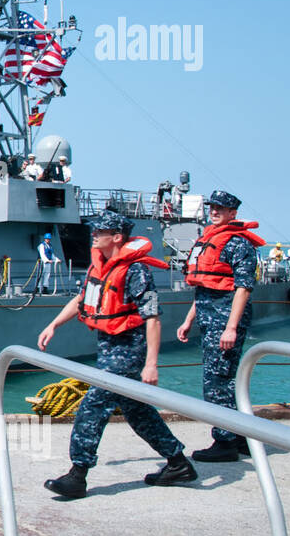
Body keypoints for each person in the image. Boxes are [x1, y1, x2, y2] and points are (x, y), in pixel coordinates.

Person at [37, 210, 195, 499]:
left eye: (100, 231)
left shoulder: (136, 271)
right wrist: (53, 325)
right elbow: (82, 299)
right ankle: (177, 462)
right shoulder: (101, 266)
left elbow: (153, 318)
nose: (93, 235)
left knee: (92, 406)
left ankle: (77, 475)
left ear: (117, 237)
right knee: (137, 411)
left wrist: (151, 365)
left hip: (127, 349)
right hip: (108, 346)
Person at [177, 190, 267, 462]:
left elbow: (243, 288)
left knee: (217, 382)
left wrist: (230, 327)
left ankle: (224, 443)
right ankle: (240, 439)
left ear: (233, 213)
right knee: (224, 380)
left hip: (224, 320)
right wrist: (189, 319)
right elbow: (205, 284)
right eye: (212, 207)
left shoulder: (238, 244)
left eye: (221, 208)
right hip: (208, 317)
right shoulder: (209, 240)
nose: (214, 211)